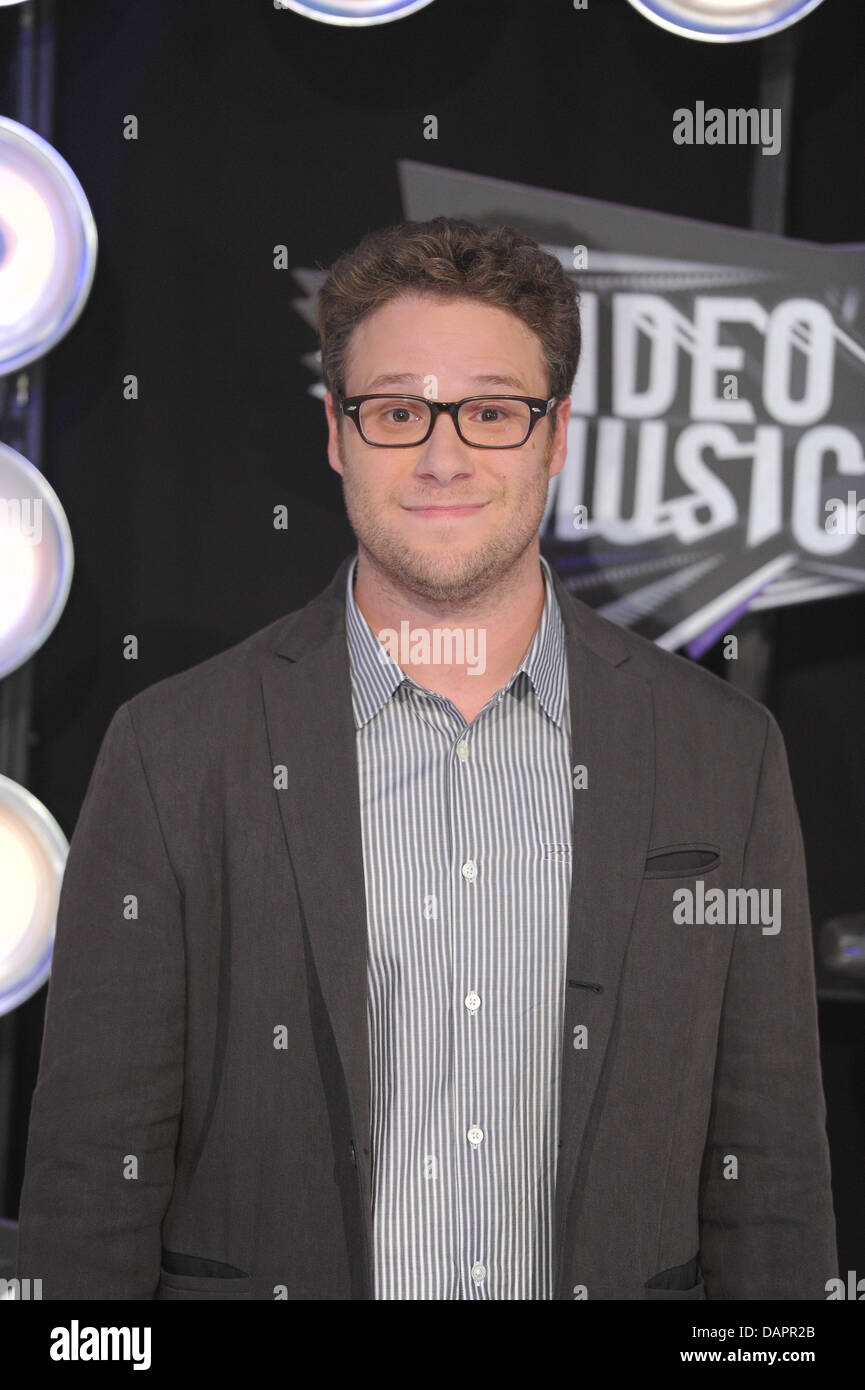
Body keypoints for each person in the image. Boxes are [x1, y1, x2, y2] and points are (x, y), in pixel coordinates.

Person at [16, 216, 837, 1299]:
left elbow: (770, 1179)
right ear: (335, 432)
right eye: (399, 410)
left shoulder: (721, 753)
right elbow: (90, 1188)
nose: (442, 456)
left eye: (491, 411)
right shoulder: (175, 751)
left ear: (554, 435)